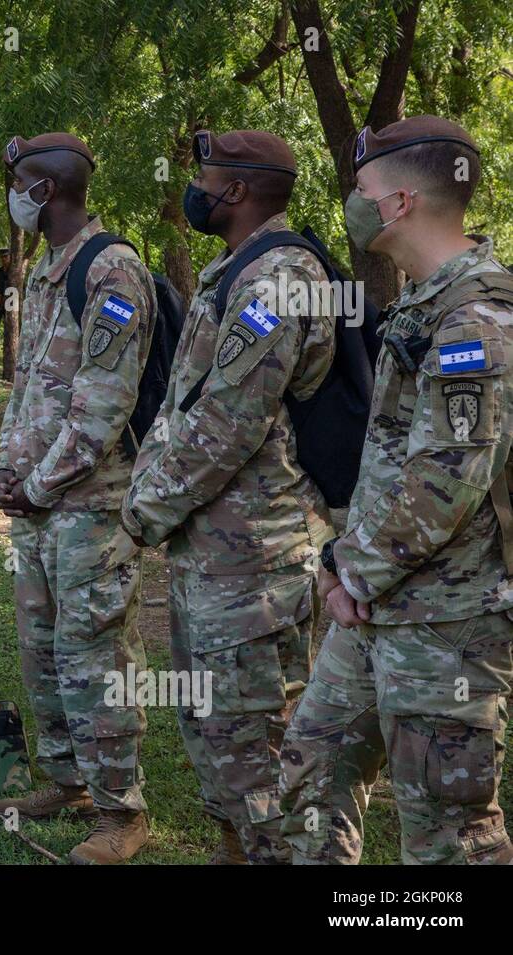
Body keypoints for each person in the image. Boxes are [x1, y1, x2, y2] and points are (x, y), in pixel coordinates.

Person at [280, 116, 513, 865]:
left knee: (449, 837)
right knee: (313, 762)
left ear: (402, 200)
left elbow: (443, 486)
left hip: (446, 625)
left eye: (363, 186)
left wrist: (352, 571)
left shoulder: (474, 319)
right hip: (375, 605)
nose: (354, 199)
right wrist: (347, 565)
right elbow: (392, 466)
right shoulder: (422, 304)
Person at [122, 130, 334, 864]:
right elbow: (186, 405)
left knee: (251, 739)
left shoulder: (278, 278)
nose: (196, 186)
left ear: (238, 190)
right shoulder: (234, 268)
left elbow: (228, 422)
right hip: (211, 547)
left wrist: (142, 512)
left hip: (253, 555)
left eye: (205, 174)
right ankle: (234, 849)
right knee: (214, 727)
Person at [0, 133, 157, 864]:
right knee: (42, 648)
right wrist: (5, 468)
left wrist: (37, 483)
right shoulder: (47, 270)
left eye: (18, 182)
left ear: (46, 190)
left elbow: (102, 407)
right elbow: (29, 390)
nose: (12, 195)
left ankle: (124, 809)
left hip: (89, 505)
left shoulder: (112, 269)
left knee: (94, 654)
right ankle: (67, 779)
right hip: (38, 505)